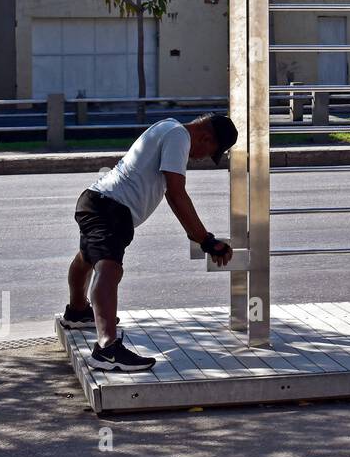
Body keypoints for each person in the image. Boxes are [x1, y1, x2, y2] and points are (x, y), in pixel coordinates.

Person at [60, 113, 238, 371]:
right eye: (210, 152)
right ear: (206, 137)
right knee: (109, 267)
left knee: (87, 256)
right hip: (111, 207)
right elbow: (176, 194)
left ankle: (77, 313)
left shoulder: (168, 126)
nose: (200, 158)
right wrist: (206, 240)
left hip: (97, 199)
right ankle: (107, 349)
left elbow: (169, 191)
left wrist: (199, 236)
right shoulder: (179, 137)